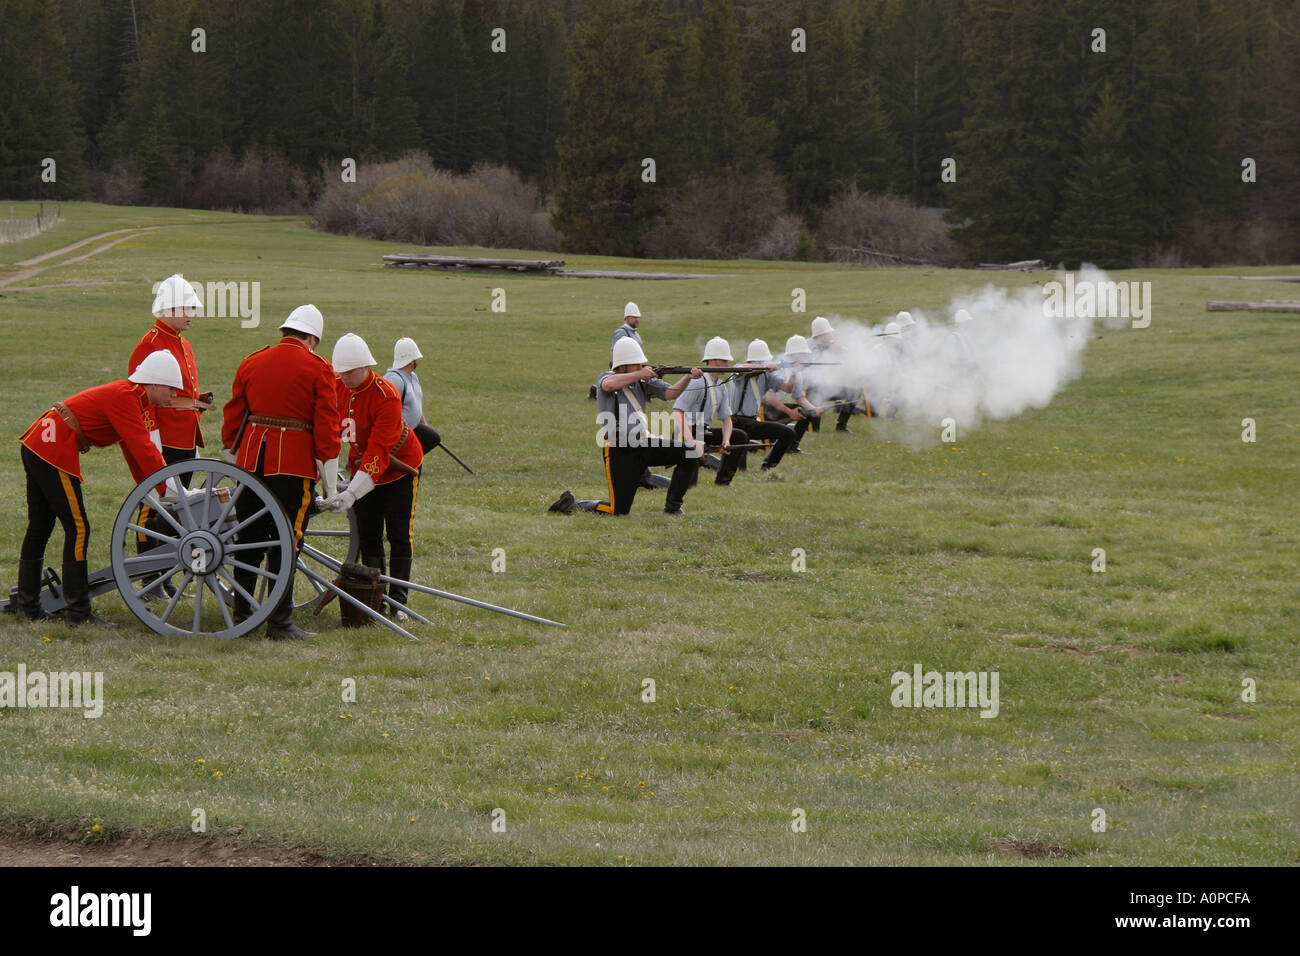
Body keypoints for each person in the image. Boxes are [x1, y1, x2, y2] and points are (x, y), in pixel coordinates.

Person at [13, 351, 182, 625]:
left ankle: (28, 603)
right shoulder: (127, 398)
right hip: (53, 448)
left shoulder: (132, 397)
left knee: (40, 526)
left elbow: (134, 452)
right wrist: (169, 485)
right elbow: (142, 447)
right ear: (153, 384)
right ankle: (78, 612)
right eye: (171, 387)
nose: (173, 394)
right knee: (78, 528)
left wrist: (156, 488)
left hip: (38, 444)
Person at [221, 305, 341, 639]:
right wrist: (330, 482)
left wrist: (232, 453)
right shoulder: (319, 368)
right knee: (287, 540)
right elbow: (328, 429)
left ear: (284, 331)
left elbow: (234, 415)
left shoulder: (252, 361)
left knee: (249, 540)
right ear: (313, 338)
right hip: (293, 462)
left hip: (251, 463)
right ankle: (279, 623)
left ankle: (242, 615)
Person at [549, 337, 702, 516]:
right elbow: (608, 385)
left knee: (689, 453)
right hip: (620, 449)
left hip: (644, 443)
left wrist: (688, 377)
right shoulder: (607, 377)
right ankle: (570, 505)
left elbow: (670, 393)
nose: (641, 367)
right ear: (623, 365)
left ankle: (673, 508)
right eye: (636, 364)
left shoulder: (643, 382)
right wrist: (639, 374)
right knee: (618, 511)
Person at [329, 333, 425, 618]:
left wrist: (352, 491)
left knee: (398, 535)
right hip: (361, 466)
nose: (343, 378)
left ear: (364, 368)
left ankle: (398, 601)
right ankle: (375, 597)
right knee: (369, 535)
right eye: (340, 372)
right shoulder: (337, 387)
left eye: (349, 373)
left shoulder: (387, 395)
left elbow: (379, 452)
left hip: (399, 469)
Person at [672, 337, 749, 486]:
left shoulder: (721, 385)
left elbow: (727, 418)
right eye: (724, 360)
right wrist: (691, 440)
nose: (728, 364)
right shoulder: (696, 382)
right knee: (689, 484)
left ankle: (723, 482)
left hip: (703, 431)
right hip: (687, 431)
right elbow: (677, 411)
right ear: (713, 360)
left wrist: (726, 441)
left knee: (739, 436)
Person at [728, 339, 798, 473]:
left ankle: (767, 466)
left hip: (752, 422)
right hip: (736, 423)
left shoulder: (766, 375)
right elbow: (742, 369)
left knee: (788, 433)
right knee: (738, 469)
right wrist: (767, 367)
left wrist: (795, 371)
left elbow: (788, 388)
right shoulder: (740, 369)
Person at [766, 334, 825, 452]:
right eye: (803, 354)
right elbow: (769, 397)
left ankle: (791, 446)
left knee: (807, 412)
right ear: (794, 355)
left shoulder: (797, 372)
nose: (805, 357)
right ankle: (773, 434)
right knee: (799, 412)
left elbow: (800, 398)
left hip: (778, 408)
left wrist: (814, 409)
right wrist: (789, 412)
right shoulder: (778, 368)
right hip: (766, 409)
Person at [384, 336, 440, 454]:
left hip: (413, 427)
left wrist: (424, 424)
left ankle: (410, 459)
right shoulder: (395, 380)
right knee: (417, 453)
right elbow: (384, 410)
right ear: (411, 361)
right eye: (416, 358)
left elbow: (415, 403)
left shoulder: (413, 376)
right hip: (399, 434)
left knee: (432, 438)